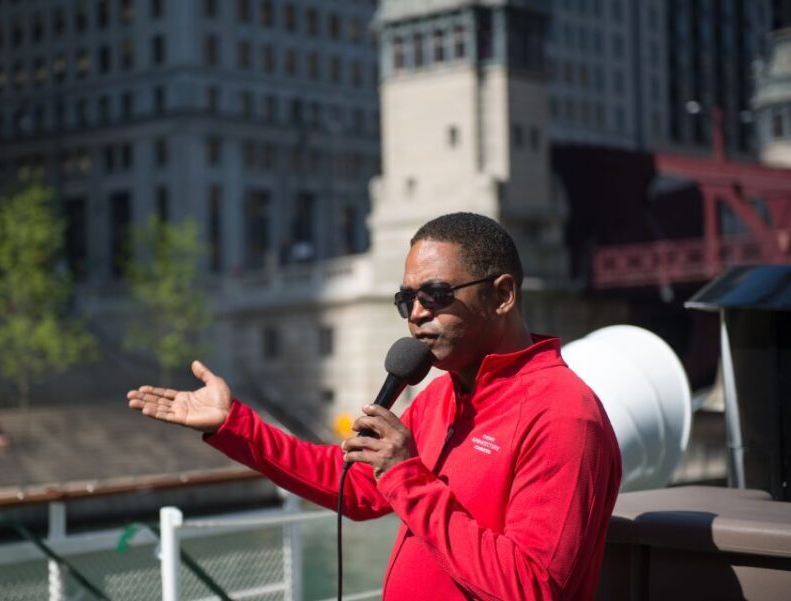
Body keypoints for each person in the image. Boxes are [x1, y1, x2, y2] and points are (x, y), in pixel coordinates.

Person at [128, 212, 622, 600]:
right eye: (406, 300)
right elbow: (361, 486)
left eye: (435, 293)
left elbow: (532, 587)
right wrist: (236, 426)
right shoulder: (440, 397)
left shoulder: (563, 415)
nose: (418, 313)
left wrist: (408, 476)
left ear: (503, 294)